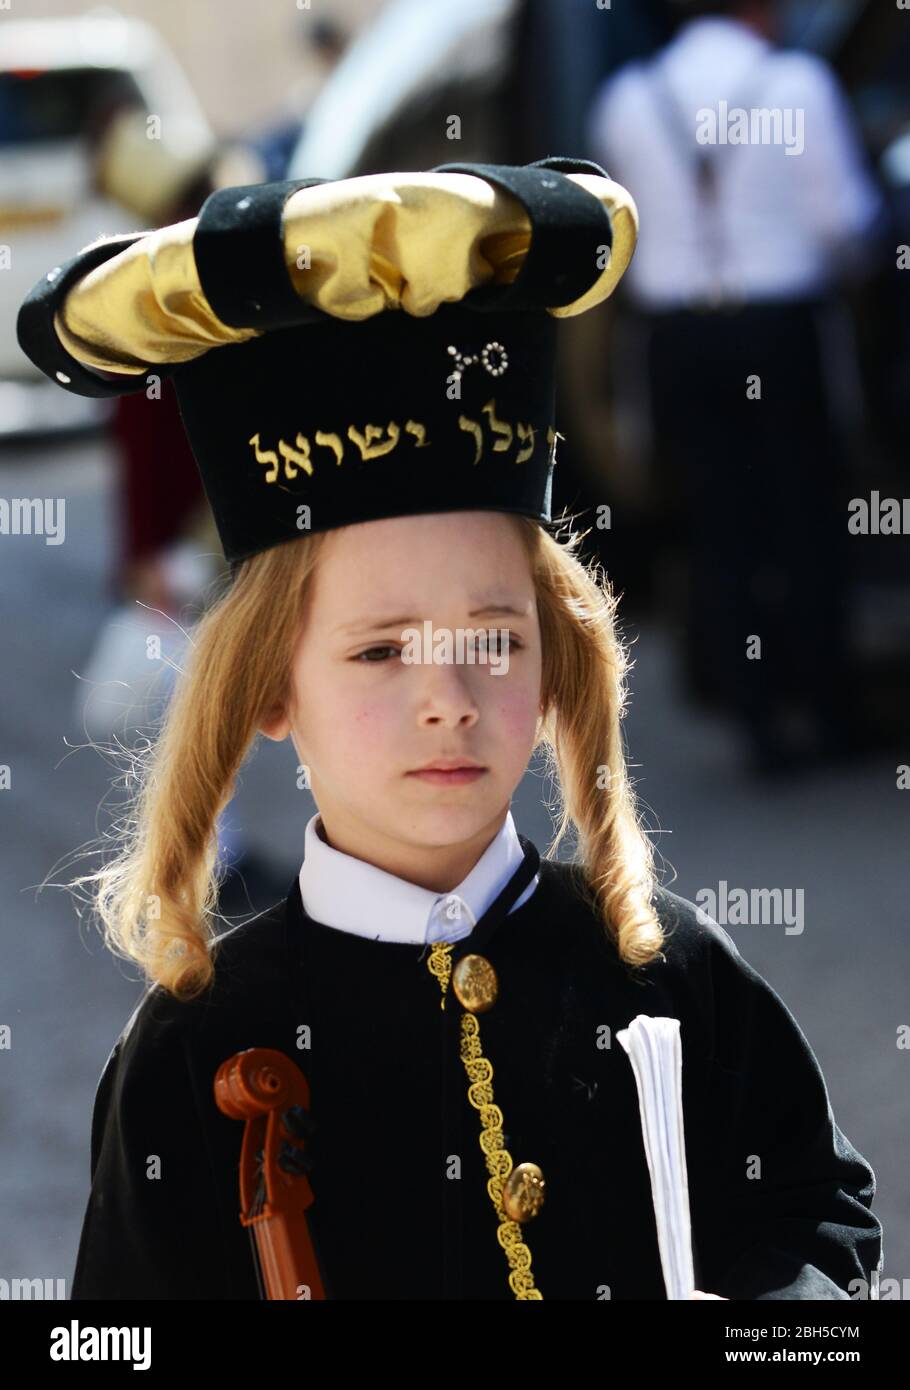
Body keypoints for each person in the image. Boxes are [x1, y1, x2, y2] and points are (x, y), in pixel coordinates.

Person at [18, 159, 881, 1300]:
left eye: (494, 639)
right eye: (379, 650)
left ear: (554, 659)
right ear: (267, 688)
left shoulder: (667, 968)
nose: (448, 696)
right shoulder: (198, 1047)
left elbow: (816, 1214)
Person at [586, 0, 886, 774]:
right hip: (781, 328)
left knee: (720, 525)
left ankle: (756, 722)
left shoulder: (626, 98)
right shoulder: (798, 83)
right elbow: (844, 221)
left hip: (679, 337)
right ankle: (829, 709)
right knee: (808, 515)